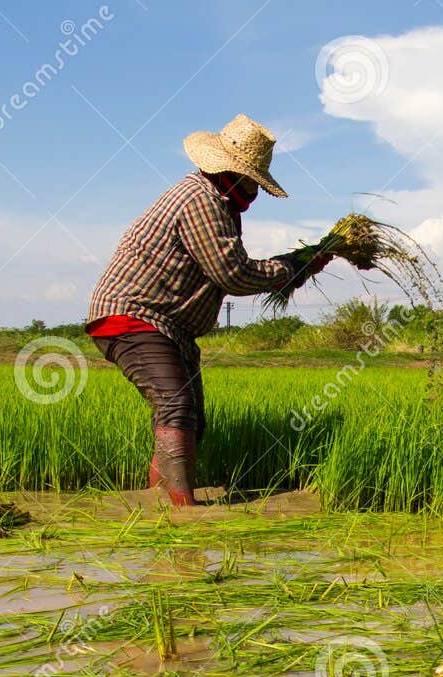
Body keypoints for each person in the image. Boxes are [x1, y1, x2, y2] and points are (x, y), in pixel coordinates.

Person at [87, 115, 330, 505]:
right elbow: (233, 274)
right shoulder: (201, 199)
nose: (253, 191)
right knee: (175, 404)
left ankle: (154, 502)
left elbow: (228, 268)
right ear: (230, 171)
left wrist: (299, 265)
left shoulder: (218, 204)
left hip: (170, 327)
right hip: (135, 316)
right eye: (251, 181)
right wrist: (292, 266)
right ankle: (184, 513)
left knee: (191, 421)